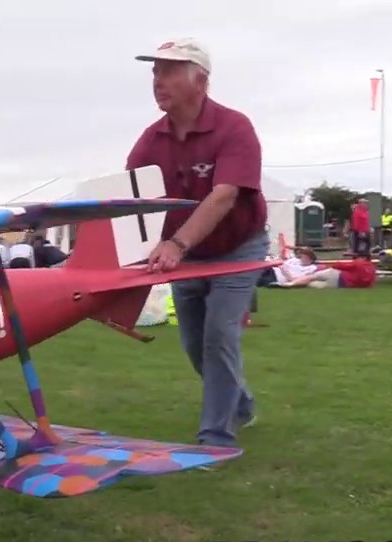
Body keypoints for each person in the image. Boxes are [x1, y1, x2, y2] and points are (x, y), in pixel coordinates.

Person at [126, 37, 268, 448]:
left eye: (168, 71)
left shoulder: (234, 127)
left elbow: (225, 195)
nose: (157, 80)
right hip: (185, 252)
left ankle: (216, 434)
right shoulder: (151, 141)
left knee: (218, 335)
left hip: (239, 247)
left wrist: (176, 244)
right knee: (193, 344)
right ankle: (238, 403)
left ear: (201, 80)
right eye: (155, 72)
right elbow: (134, 197)